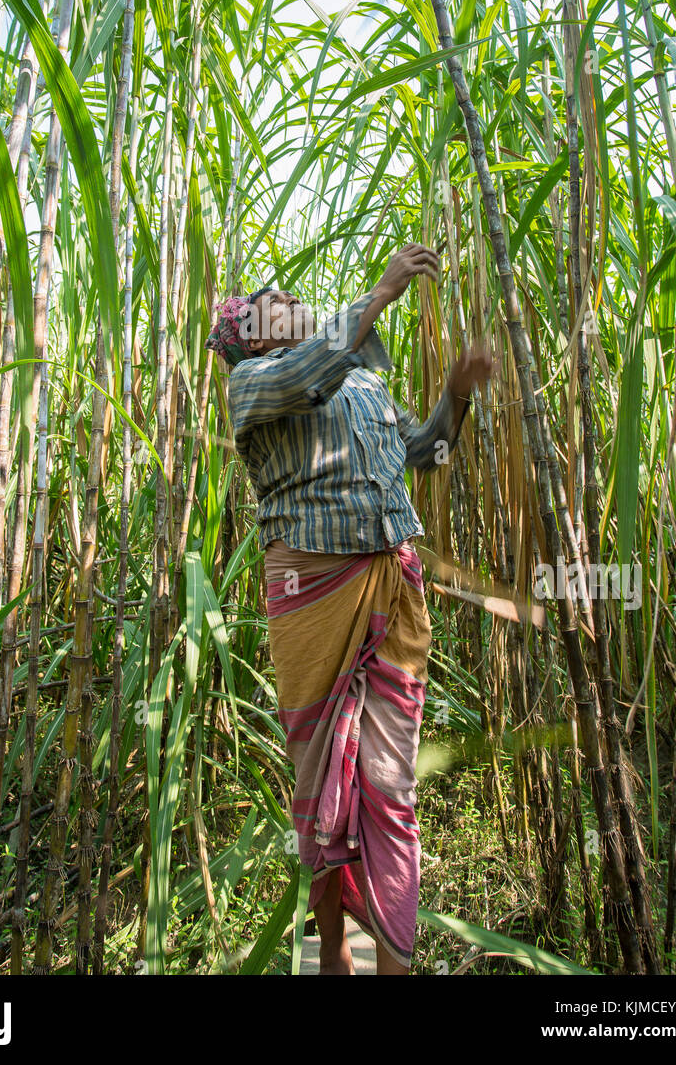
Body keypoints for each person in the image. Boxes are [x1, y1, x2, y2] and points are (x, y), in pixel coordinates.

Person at [205, 245, 493, 974]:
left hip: (393, 589)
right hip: (311, 591)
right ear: (253, 336)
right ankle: (331, 947)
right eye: (273, 303)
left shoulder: (363, 385)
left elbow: (424, 454)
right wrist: (382, 291)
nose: (291, 301)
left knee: (391, 788)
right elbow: (308, 373)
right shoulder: (251, 383)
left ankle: (392, 963)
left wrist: (455, 395)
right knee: (320, 791)